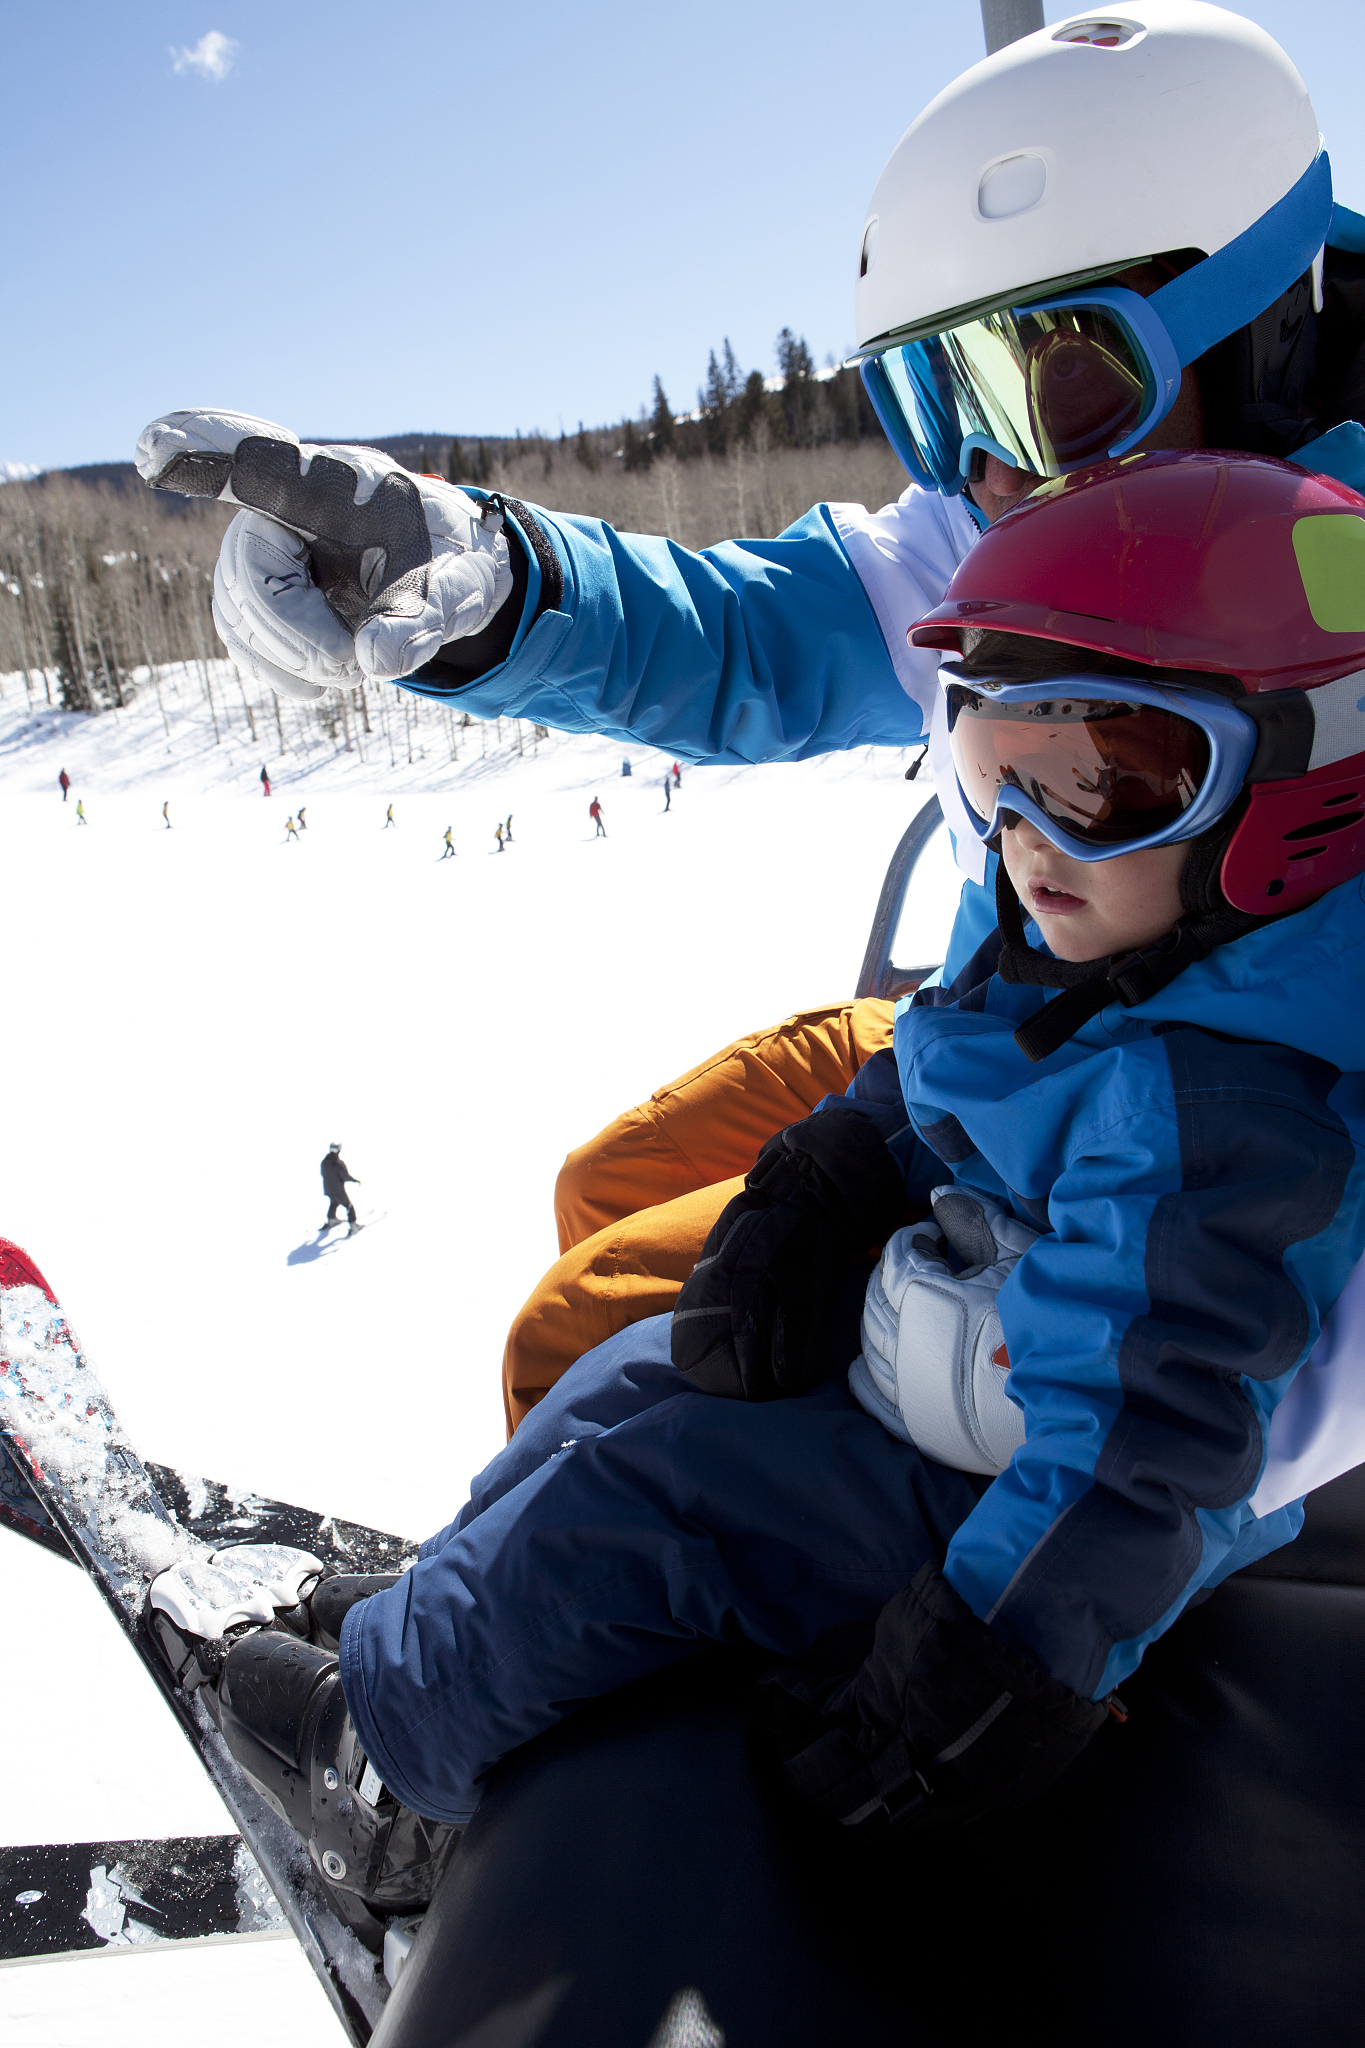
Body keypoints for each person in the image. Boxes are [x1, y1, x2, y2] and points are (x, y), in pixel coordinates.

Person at [148, 451, 1365, 1935]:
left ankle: (386, 1771)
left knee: (654, 1503)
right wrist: (836, 1165)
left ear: (1308, 778)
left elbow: (1142, 1461)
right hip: (969, 1377)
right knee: (623, 1374)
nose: (1033, 837)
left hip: (1022, 1511)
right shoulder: (1116, 931)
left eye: (1107, 777)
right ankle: (442, 1622)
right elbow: (947, 1068)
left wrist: (995, 1670)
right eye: (990, 764)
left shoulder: (1227, 1109)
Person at [135, 6, 1365, 1434]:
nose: (994, 473)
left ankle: (647, 1622)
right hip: (1007, 1023)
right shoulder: (1039, 517)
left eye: (1063, 380)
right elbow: (753, 633)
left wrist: (1191, 1389)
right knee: (604, 1187)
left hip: (1208, 1133)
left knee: (581, 1329)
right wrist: (489, 581)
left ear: (1268, 332)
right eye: (945, 394)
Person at [321, 1142, 360, 1228]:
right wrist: (355, 1180)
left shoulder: (324, 1162)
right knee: (348, 1206)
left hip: (328, 1189)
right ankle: (353, 1225)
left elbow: (323, 1174)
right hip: (338, 1190)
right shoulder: (338, 1163)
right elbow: (345, 1176)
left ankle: (331, 1219)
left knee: (334, 1202)